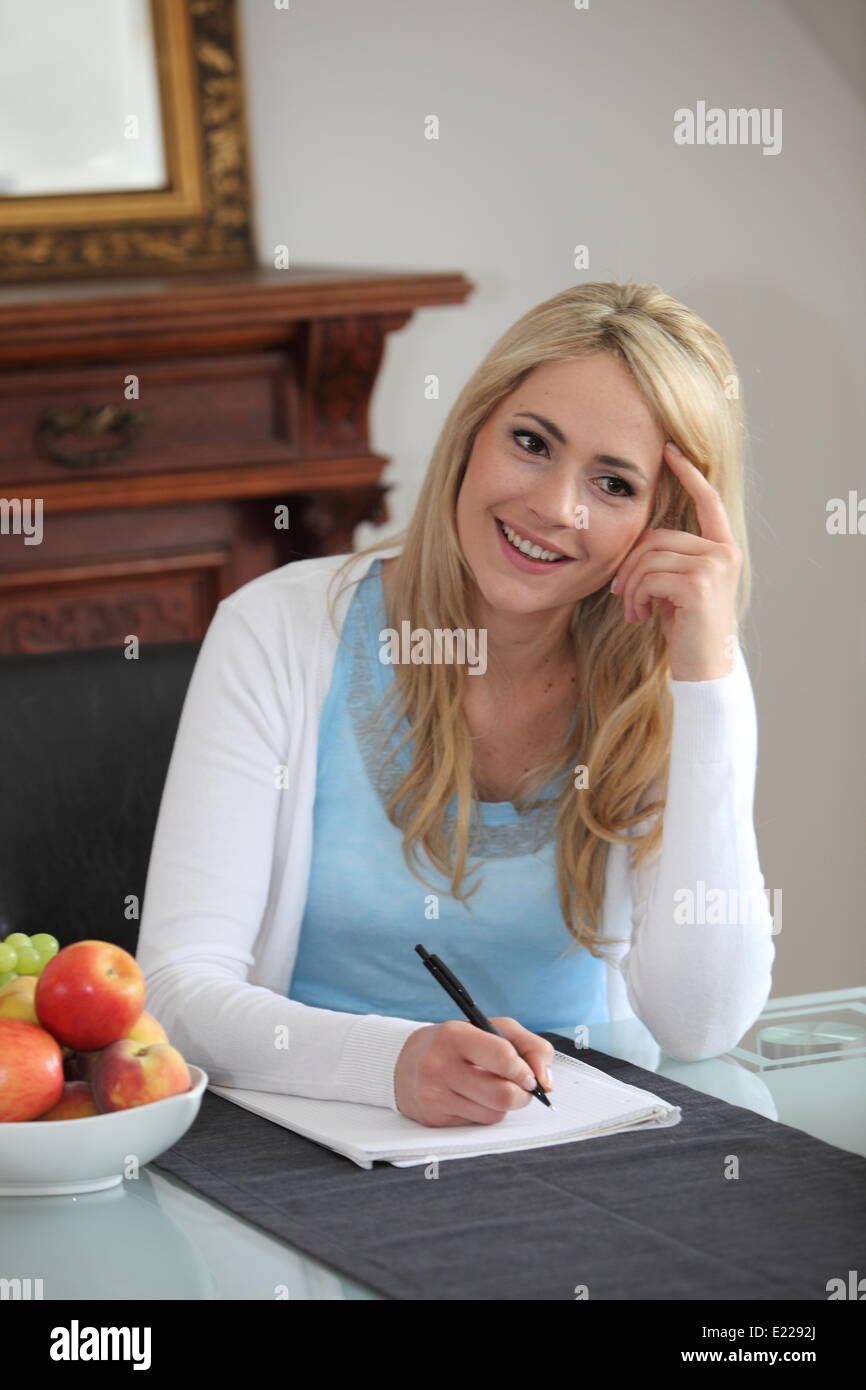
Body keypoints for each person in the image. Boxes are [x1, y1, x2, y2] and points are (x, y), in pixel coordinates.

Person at [136, 280, 775, 1129]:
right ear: (474, 429)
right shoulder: (280, 629)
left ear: (665, 521)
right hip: (310, 1137)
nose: (554, 507)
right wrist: (391, 1064)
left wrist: (708, 681)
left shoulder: (679, 680)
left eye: (615, 484)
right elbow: (176, 992)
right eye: (532, 442)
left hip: (583, 1145)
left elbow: (703, 1025)